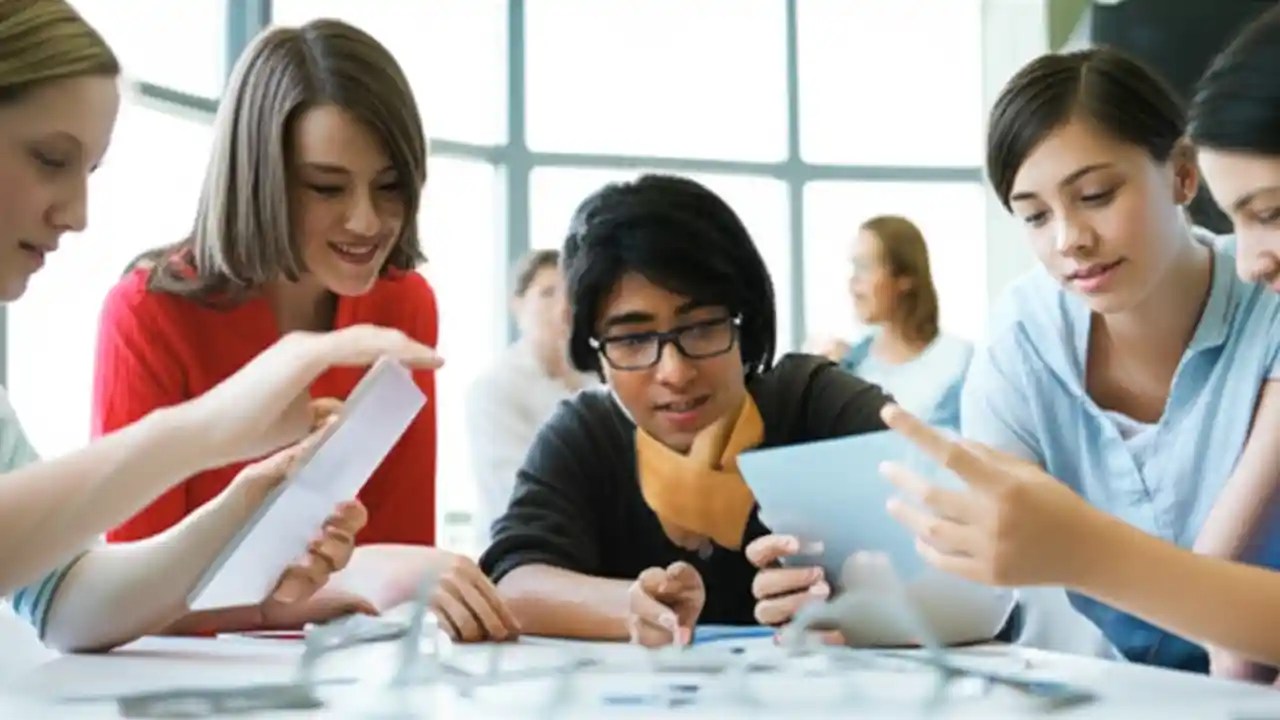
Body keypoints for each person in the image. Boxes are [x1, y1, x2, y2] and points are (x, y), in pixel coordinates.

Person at [0, 0, 441, 652]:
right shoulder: (151, 310)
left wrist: (244, 505)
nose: (78, 216)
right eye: (49, 158)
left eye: (88, 171)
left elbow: (65, 601)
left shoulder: (404, 303)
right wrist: (210, 431)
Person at [88, 18, 517, 642]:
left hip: (342, 671)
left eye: (390, 186)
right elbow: (125, 598)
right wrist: (352, 580)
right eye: (326, 187)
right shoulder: (148, 314)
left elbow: (399, 547)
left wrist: (376, 579)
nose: (367, 221)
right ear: (258, 175)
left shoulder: (404, 306)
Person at [882, 3, 1280, 676]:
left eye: (1095, 195)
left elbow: (1230, 618)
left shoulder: (1264, 309)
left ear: (1183, 176)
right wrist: (844, 600)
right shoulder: (1022, 338)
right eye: (1034, 216)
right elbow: (989, 579)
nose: (1068, 240)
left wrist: (1082, 549)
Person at [479, 174, 892, 646]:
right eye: (633, 340)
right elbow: (514, 580)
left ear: (745, 322)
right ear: (594, 350)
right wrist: (636, 605)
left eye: (700, 328)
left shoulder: (814, 404)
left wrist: (858, 608)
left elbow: (949, 519)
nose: (674, 372)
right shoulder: (587, 434)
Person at [465, 249, 595, 549]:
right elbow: (516, 492)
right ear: (517, 305)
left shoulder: (597, 383)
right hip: (520, 551)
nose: (563, 306)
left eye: (571, 293)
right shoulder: (495, 387)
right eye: (547, 293)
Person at [815, 215, 972, 430]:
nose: (853, 282)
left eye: (864, 267)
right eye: (854, 267)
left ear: (905, 277)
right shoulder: (848, 367)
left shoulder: (961, 362)